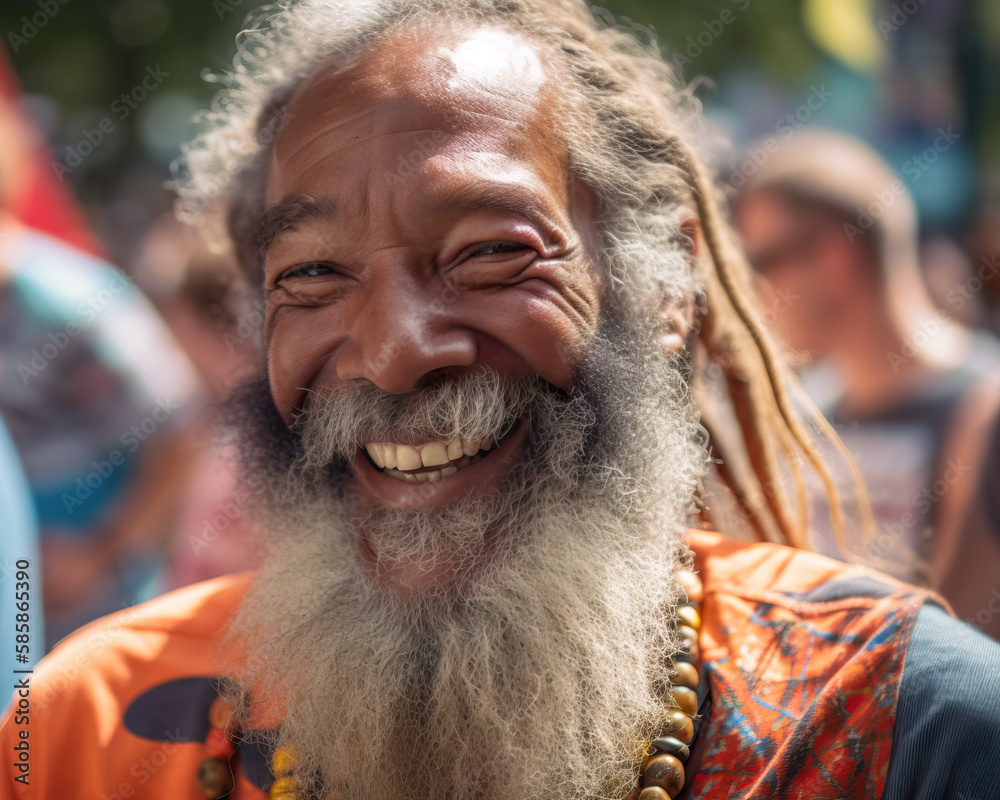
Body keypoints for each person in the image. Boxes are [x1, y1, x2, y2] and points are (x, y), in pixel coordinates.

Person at [3, 2, 1000, 798]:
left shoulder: (904, 726)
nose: (393, 354)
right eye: (310, 273)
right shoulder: (86, 731)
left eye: (489, 252)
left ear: (663, 292)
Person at [732, 130, 1000, 636]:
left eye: (761, 260)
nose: (750, 290)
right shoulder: (801, 413)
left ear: (835, 259)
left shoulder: (983, 407)